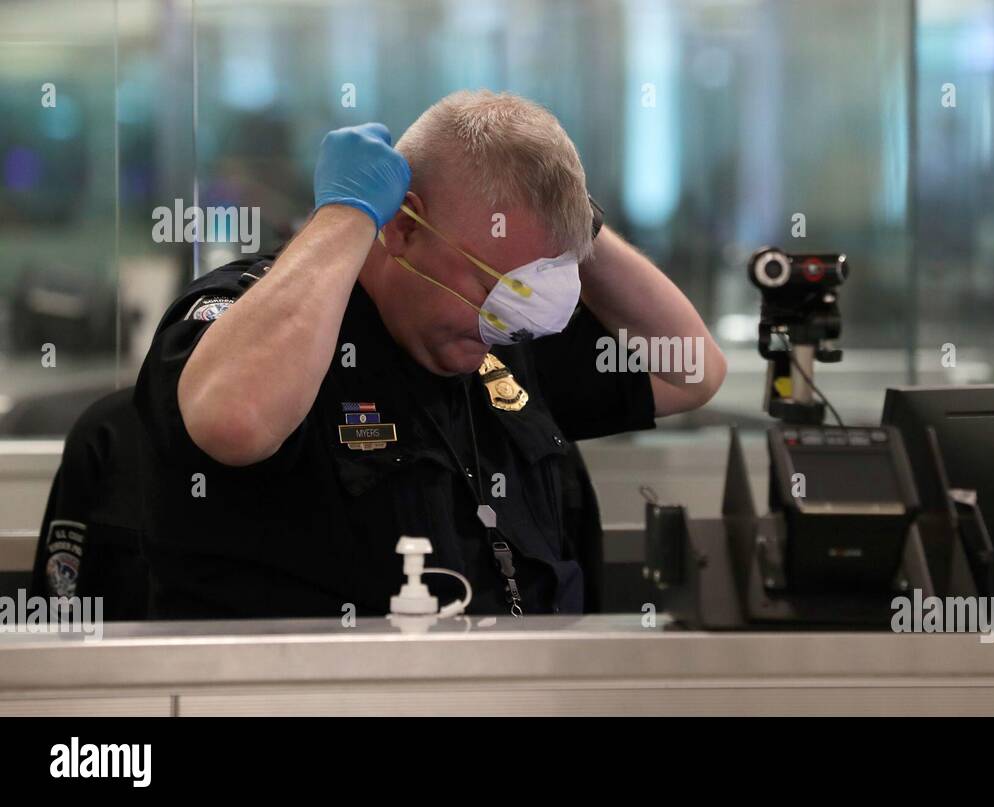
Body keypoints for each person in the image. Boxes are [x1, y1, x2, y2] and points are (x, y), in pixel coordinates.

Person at [133, 90, 725, 619]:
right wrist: (349, 214)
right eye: (493, 287)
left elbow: (691, 370)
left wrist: (571, 223)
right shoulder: (259, 319)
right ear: (405, 229)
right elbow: (233, 421)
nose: (505, 323)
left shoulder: (492, 342)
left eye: (531, 294)